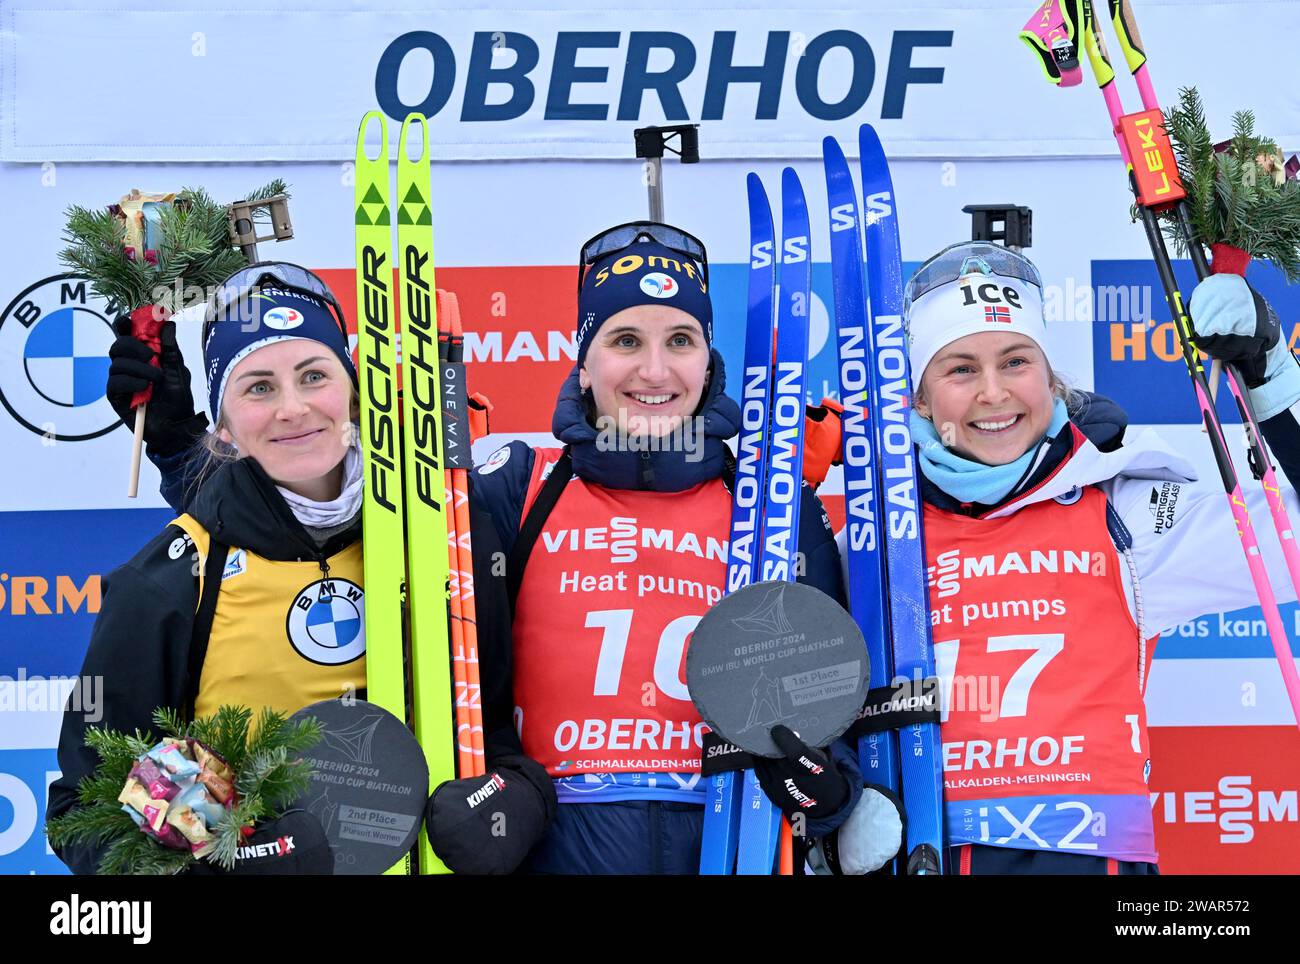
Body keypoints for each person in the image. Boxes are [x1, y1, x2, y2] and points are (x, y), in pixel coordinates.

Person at [425, 222, 863, 875]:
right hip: (557, 851)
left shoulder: (772, 504)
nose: (654, 371)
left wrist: (825, 790)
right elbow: (455, 675)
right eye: (625, 340)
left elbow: (834, 716)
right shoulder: (518, 487)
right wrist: (494, 788)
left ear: (708, 362)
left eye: (680, 341)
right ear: (585, 362)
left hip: (727, 846)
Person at [883, 241, 1300, 874]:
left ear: (1050, 377)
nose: (994, 393)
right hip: (927, 858)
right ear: (920, 399)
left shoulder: (1126, 510)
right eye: (961, 369)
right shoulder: (880, 538)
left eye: (1016, 361)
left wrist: (1272, 374)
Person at [48, 264, 370, 874]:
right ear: (223, 425)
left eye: (314, 375)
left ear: (352, 391)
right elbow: (81, 812)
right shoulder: (163, 582)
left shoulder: (441, 537)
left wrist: (514, 797)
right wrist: (214, 869)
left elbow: (504, 743)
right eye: (258, 387)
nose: (293, 408)